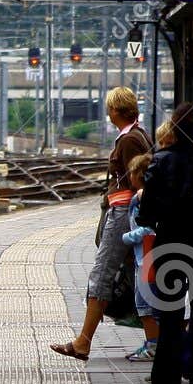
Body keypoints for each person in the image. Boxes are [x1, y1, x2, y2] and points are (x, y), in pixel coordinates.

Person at [51, 87, 152, 361]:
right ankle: (155, 341)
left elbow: (138, 177)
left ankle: (83, 342)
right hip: (126, 212)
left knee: (103, 273)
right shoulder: (136, 134)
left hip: (122, 213)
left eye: (109, 108)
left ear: (115, 110)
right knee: (138, 275)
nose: (107, 113)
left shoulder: (130, 139)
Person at [141, 103, 193, 384]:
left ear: (173, 130)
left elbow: (146, 213)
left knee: (170, 316)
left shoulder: (160, 161)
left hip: (171, 242)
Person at [120, 153, 159, 363]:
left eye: (132, 172)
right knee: (149, 304)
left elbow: (147, 227)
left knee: (144, 306)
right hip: (147, 257)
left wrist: (126, 237)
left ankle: (153, 345)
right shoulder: (149, 194)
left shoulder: (141, 197)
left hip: (146, 258)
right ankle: (154, 343)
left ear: (138, 175)